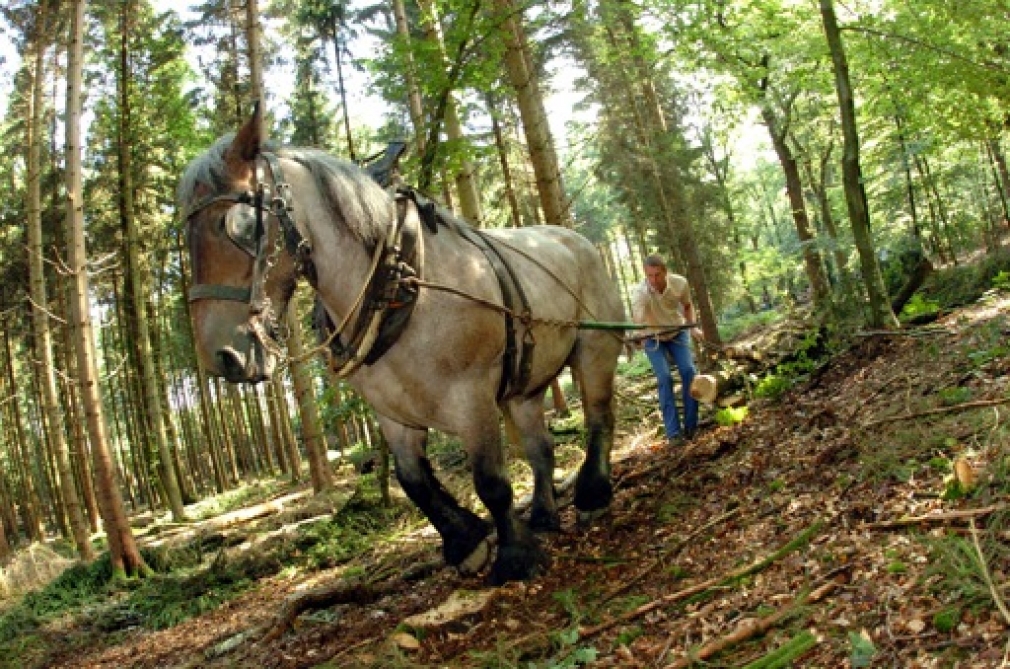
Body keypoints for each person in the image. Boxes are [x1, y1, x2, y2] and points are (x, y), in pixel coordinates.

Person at [631, 254, 703, 445]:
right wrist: (638, 335)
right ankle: (673, 433)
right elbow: (637, 318)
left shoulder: (680, 283)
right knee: (664, 377)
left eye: (657, 275)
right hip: (653, 338)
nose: (653, 280)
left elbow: (688, 306)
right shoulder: (640, 292)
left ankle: (691, 426)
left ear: (665, 272)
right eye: (649, 276)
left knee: (689, 371)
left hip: (677, 332)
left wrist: (692, 326)